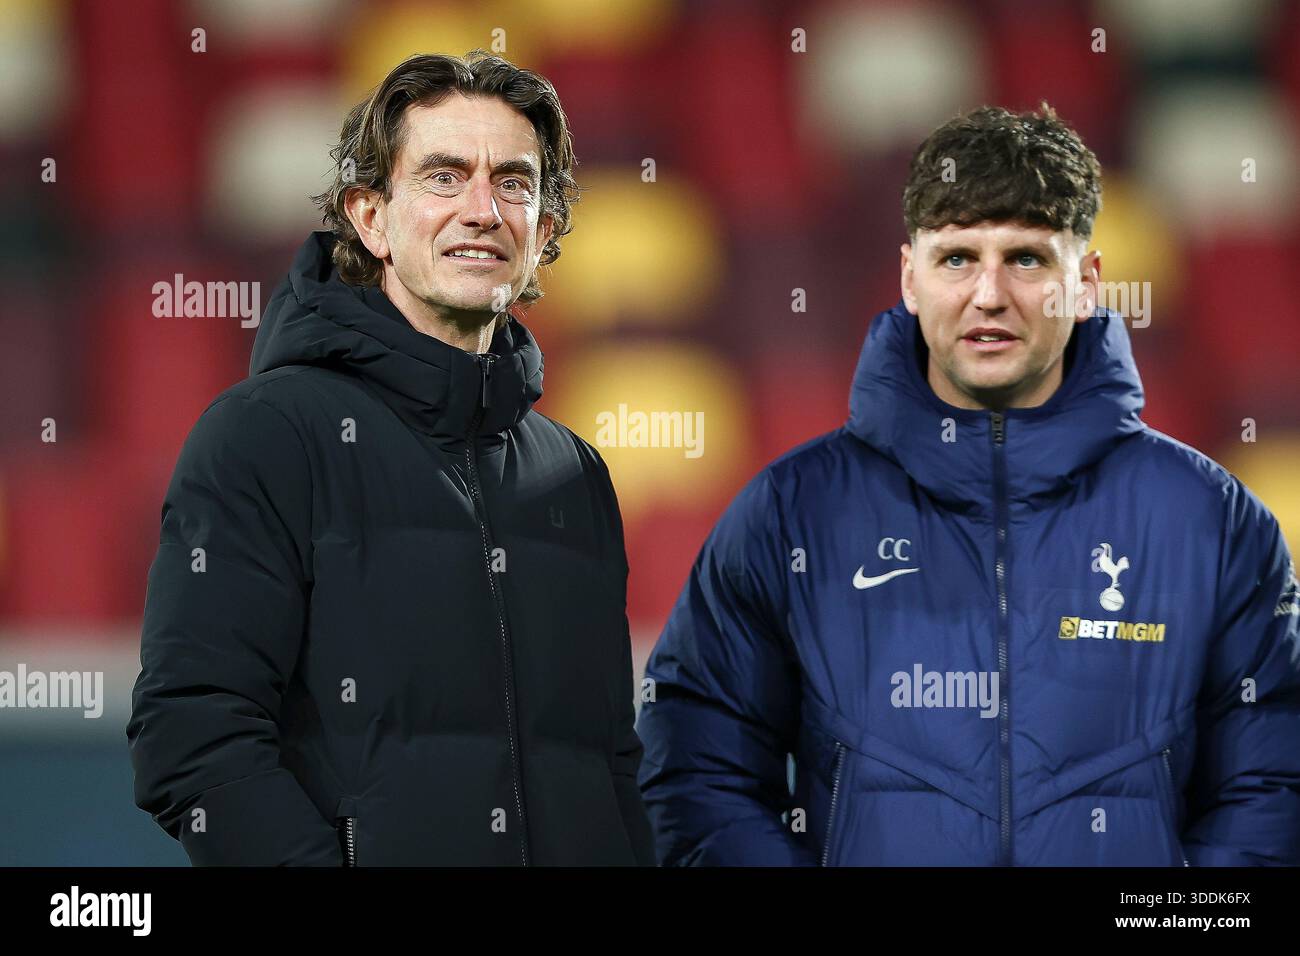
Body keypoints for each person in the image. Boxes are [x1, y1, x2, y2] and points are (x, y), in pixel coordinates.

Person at [636, 103, 1300, 866]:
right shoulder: (793, 515)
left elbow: (1272, 787)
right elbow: (696, 769)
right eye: (957, 258)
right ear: (908, 278)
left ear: (1085, 282)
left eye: (1026, 258)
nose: (989, 294)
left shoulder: (1210, 521)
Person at [128, 51, 654, 866]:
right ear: (369, 218)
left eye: (513, 182)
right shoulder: (263, 436)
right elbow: (192, 738)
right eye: (445, 177)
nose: (483, 209)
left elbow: (608, 764)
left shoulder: (575, 476)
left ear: (544, 232)